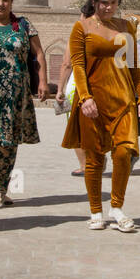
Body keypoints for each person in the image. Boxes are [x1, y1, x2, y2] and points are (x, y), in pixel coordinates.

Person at [62, 0, 140, 232]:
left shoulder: (127, 27)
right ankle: (95, 210)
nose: (108, 8)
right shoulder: (82, 27)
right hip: (93, 103)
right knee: (95, 158)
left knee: (124, 153)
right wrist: (85, 97)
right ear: (93, 1)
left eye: (113, 3)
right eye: (103, 3)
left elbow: (135, 66)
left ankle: (117, 207)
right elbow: (78, 65)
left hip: (123, 102)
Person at [0, 0, 46, 211]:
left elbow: (39, 53)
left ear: (11, 2)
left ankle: (1, 191)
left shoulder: (23, 25)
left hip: (15, 97)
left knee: (8, 144)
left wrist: (43, 81)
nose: (1, 3)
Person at [57, 42, 86, 177]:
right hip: (100, 86)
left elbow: (67, 64)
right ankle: (97, 158)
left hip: (77, 87)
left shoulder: (76, 36)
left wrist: (59, 89)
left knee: (75, 129)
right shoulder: (105, 34)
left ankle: (85, 165)